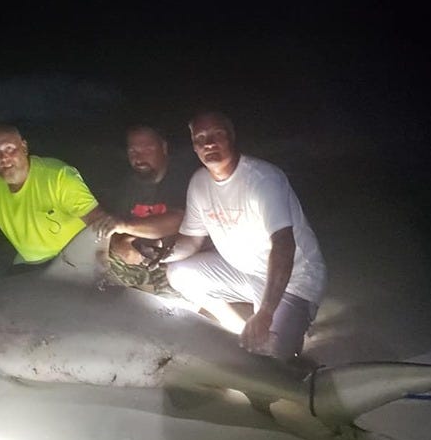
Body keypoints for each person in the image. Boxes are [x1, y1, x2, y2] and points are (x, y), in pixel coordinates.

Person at [162, 112, 326, 361]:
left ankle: (286, 326)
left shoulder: (263, 180)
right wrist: (159, 254)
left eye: (217, 135)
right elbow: (191, 241)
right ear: (194, 146)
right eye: (201, 138)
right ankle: (238, 327)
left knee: (269, 361)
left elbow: (283, 245)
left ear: (231, 137)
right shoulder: (199, 183)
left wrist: (266, 312)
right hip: (246, 273)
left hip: (295, 280)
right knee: (178, 272)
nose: (209, 144)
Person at [0, 124, 113, 306]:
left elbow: (98, 222)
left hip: (77, 262)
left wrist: (118, 251)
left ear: (24, 147)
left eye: (10, 149)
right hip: (31, 265)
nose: (4, 158)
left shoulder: (58, 176)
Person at [93, 125, 194, 296]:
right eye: (133, 151)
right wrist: (120, 243)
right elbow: (113, 226)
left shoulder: (183, 177)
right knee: (98, 282)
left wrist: (125, 226)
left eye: (147, 149)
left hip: (174, 258)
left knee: (175, 308)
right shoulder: (125, 185)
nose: (139, 157)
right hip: (138, 256)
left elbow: (177, 220)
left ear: (164, 148)